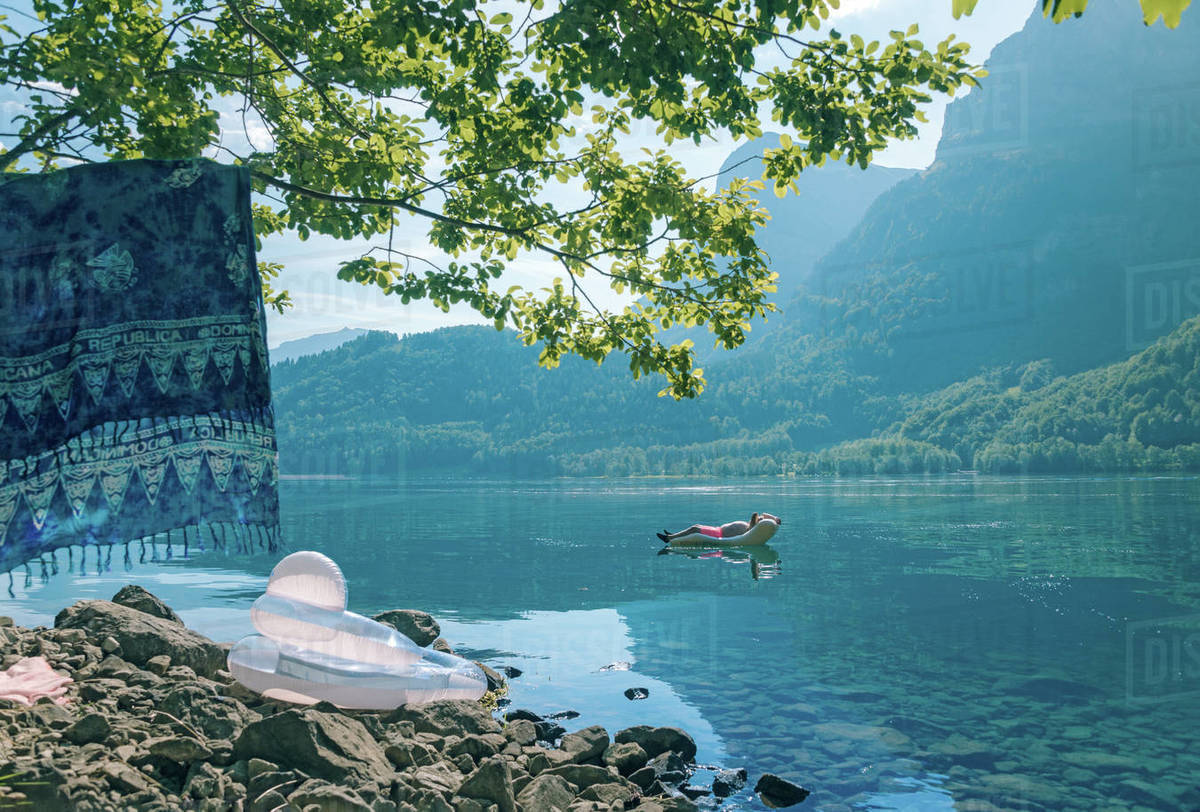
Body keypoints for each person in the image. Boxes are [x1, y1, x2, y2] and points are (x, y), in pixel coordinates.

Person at [657, 512, 781, 543]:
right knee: (696, 526)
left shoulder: (750, 529)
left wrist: (772, 520)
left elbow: (757, 515)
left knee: (695, 528)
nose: (760, 517)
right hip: (717, 530)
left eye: (760, 519)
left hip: (718, 535)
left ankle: (670, 538)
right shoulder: (749, 525)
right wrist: (775, 518)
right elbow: (764, 514)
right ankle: (672, 535)